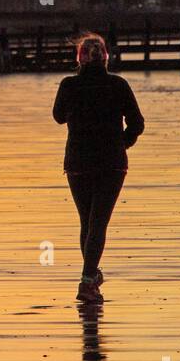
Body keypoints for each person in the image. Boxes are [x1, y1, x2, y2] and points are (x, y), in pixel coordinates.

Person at [52, 33, 145, 304]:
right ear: (106, 57)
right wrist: (121, 143)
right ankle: (87, 280)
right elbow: (137, 123)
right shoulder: (118, 84)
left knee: (87, 221)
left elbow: (58, 117)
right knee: (99, 222)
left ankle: (90, 277)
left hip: (78, 162)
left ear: (79, 58)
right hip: (111, 163)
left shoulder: (69, 85)